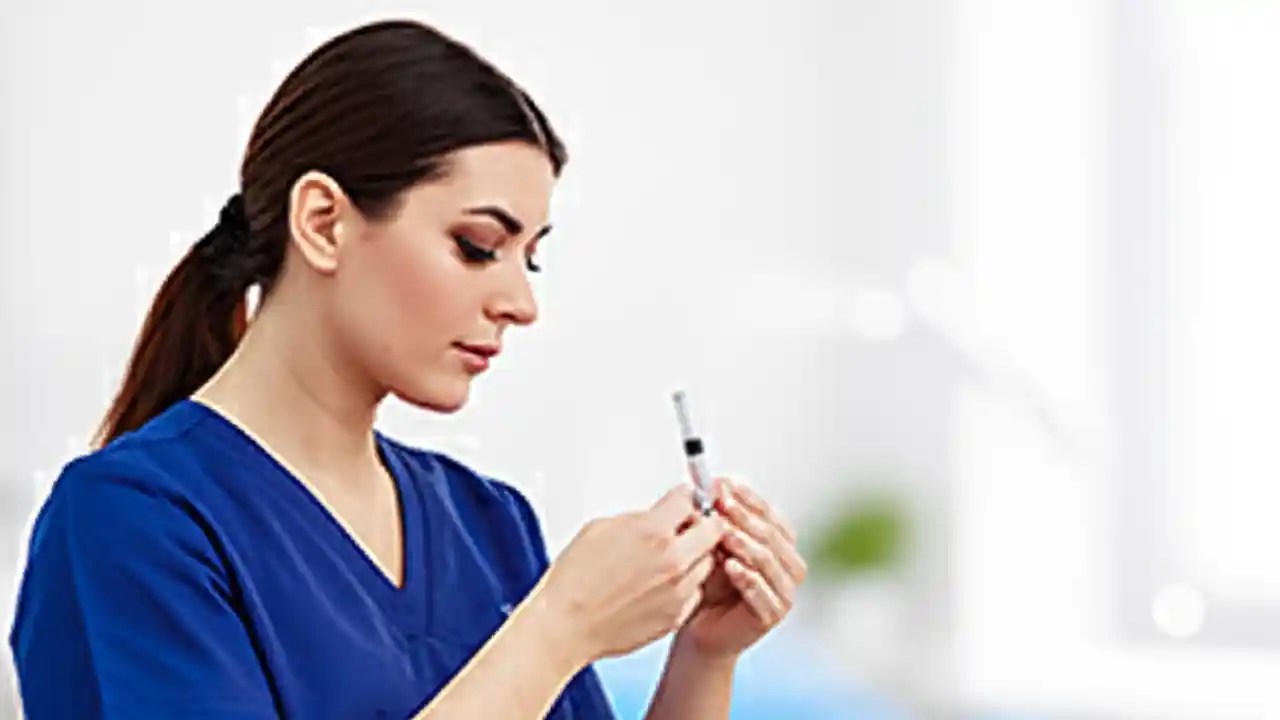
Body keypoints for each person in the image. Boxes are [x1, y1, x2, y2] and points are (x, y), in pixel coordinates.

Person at [8, 19, 807, 719]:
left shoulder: (489, 523)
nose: (521, 303)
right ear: (323, 223)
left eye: (532, 258)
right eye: (478, 247)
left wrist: (706, 655)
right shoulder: (131, 524)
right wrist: (558, 629)